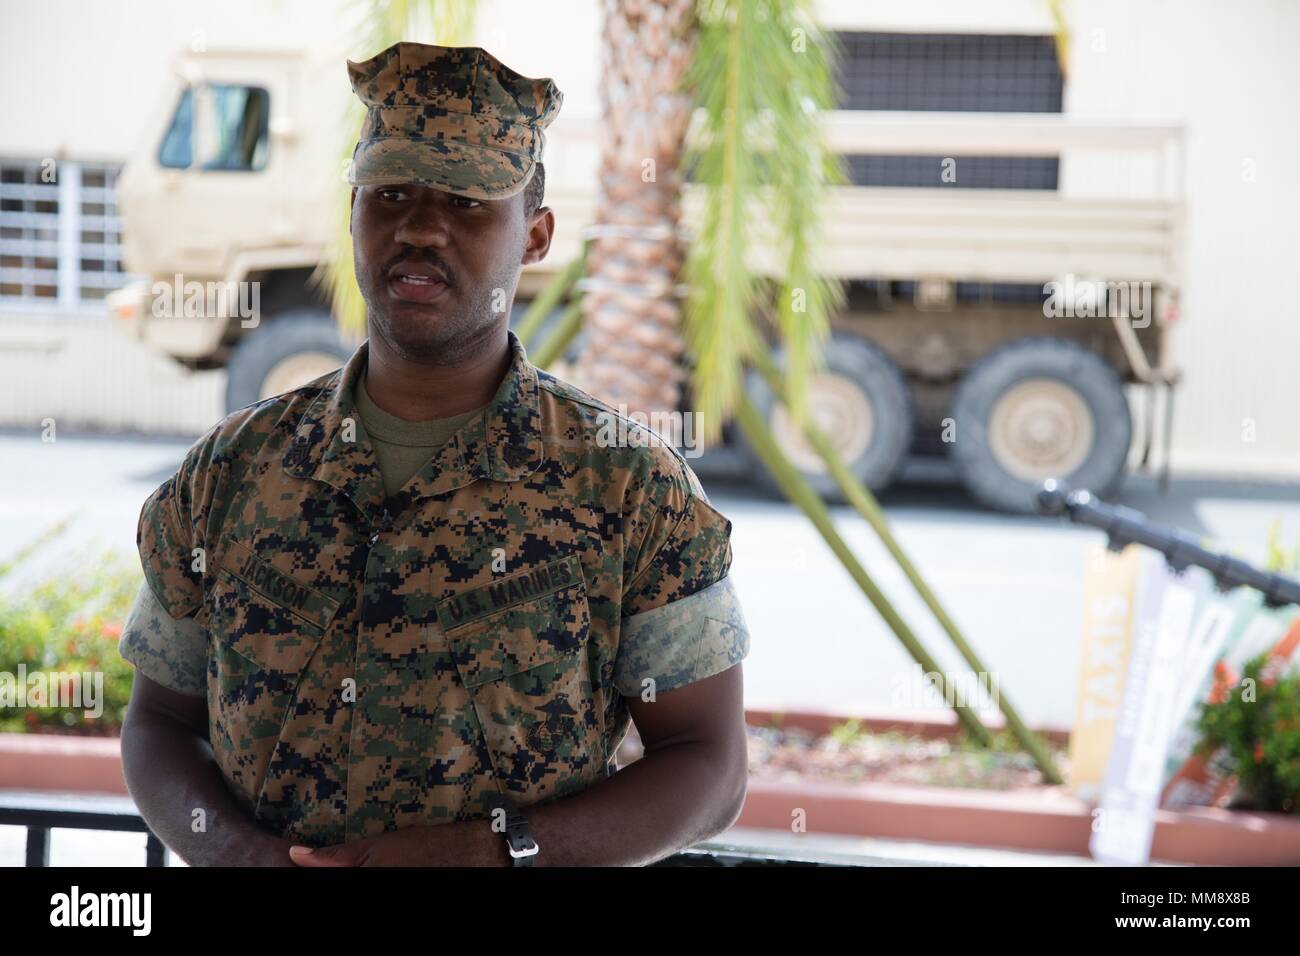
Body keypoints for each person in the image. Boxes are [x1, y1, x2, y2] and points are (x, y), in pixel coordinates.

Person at [117, 41, 750, 867]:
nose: (419, 227)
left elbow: (710, 765)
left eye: (467, 202)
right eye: (391, 194)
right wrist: (241, 857)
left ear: (536, 236)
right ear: (352, 213)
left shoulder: (628, 487)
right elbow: (159, 725)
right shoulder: (231, 474)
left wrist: (496, 855)